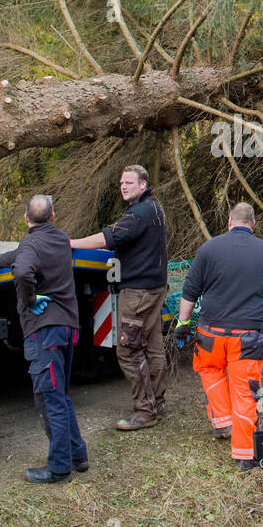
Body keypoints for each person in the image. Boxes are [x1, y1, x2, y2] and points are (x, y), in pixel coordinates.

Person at [0, 194, 87, 484]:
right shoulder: (60, 238)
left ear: (26, 219)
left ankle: (59, 468)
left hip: (45, 330)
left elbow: (23, 269)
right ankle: (78, 455)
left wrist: (30, 298)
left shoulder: (30, 244)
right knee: (60, 395)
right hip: (67, 327)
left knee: (50, 401)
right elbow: (25, 253)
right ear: (53, 216)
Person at [172, 203, 263, 471]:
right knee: (246, 392)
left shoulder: (209, 249)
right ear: (253, 224)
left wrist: (183, 323)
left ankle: (222, 420)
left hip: (210, 333)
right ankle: (244, 456)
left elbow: (190, 290)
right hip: (247, 337)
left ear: (229, 222)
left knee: (209, 370)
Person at [70, 164, 168, 430]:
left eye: (129, 183)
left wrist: (72, 243)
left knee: (128, 349)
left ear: (143, 185)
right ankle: (157, 403)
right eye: (121, 183)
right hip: (154, 288)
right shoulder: (154, 208)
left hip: (138, 292)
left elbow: (107, 238)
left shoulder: (139, 213)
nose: (123, 187)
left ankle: (145, 412)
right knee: (153, 347)